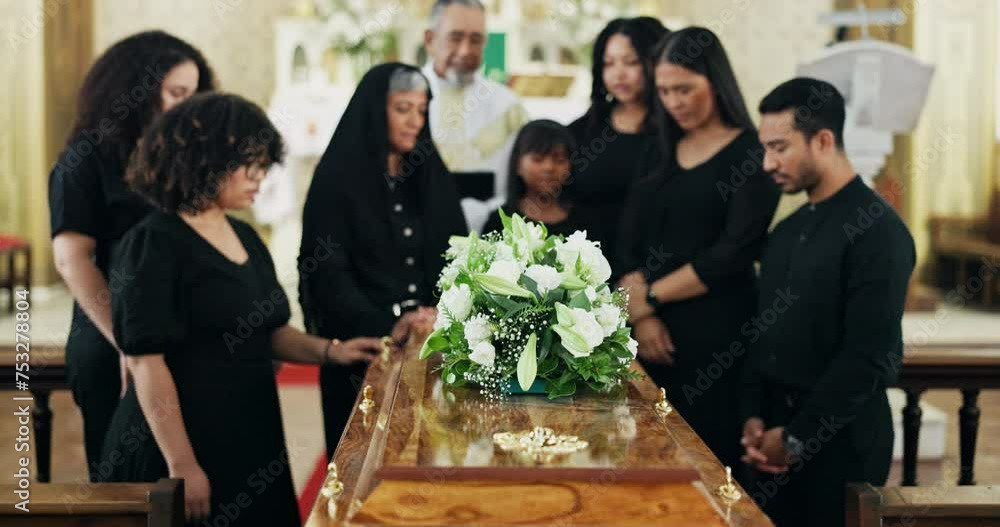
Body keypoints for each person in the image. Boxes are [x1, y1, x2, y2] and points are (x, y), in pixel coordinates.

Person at [99, 93, 384, 526]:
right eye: (248, 165)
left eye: (263, 165)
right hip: (181, 438)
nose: (259, 178)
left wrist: (331, 351)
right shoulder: (153, 242)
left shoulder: (245, 236)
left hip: (249, 427)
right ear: (205, 159)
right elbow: (145, 362)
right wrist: (182, 464)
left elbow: (269, 332)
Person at [741, 78, 915, 527]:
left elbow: (868, 357)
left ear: (822, 140)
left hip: (842, 444)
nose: (768, 163)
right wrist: (754, 415)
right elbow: (763, 332)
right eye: (765, 148)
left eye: (779, 147)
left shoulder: (880, 232)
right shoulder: (787, 230)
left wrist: (796, 438)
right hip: (773, 435)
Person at [48, 30, 215, 480]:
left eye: (193, 95)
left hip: (179, 329)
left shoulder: (178, 159)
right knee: (125, 478)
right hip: (110, 332)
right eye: (176, 93)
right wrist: (128, 342)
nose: (186, 107)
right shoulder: (83, 161)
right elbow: (72, 261)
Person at [616, 27, 780, 471]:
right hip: (646, 331)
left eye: (685, 89)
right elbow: (627, 240)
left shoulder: (752, 153)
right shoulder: (658, 147)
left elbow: (733, 252)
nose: (674, 102)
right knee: (647, 457)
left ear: (716, 81)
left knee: (709, 461)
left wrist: (650, 298)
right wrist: (642, 316)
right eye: (665, 91)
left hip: (718, 334)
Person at [300, 63, 467, 459]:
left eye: (422, 111)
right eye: (403, 109)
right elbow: (327, 271)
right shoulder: (337, 178)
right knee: (363, 460)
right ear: (376, 110)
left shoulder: (428, 172)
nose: (415, 122)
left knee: (429, 455)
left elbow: (458, 252)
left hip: (430, 346)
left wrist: (438, 313)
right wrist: (386, 325)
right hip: (362, 347)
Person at [421, 0, 530, 233]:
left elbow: (527, 181)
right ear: (430, 39)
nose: (465, 51)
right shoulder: (404, 102)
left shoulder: (508, 106)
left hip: (494, 235)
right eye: (455, 37)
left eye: (476, 40)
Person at [567, 17, 667, 259]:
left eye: (631, 62)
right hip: (588, 266)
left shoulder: (674, 132)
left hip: (659, 268)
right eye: (608, 63)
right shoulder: (581, 132)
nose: (618, 74)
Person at [482, 119, 608, 246]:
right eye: (538, 159)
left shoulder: (587, 222)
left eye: (559, 160)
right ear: (518, 165)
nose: (549, 168)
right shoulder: (499, 222)